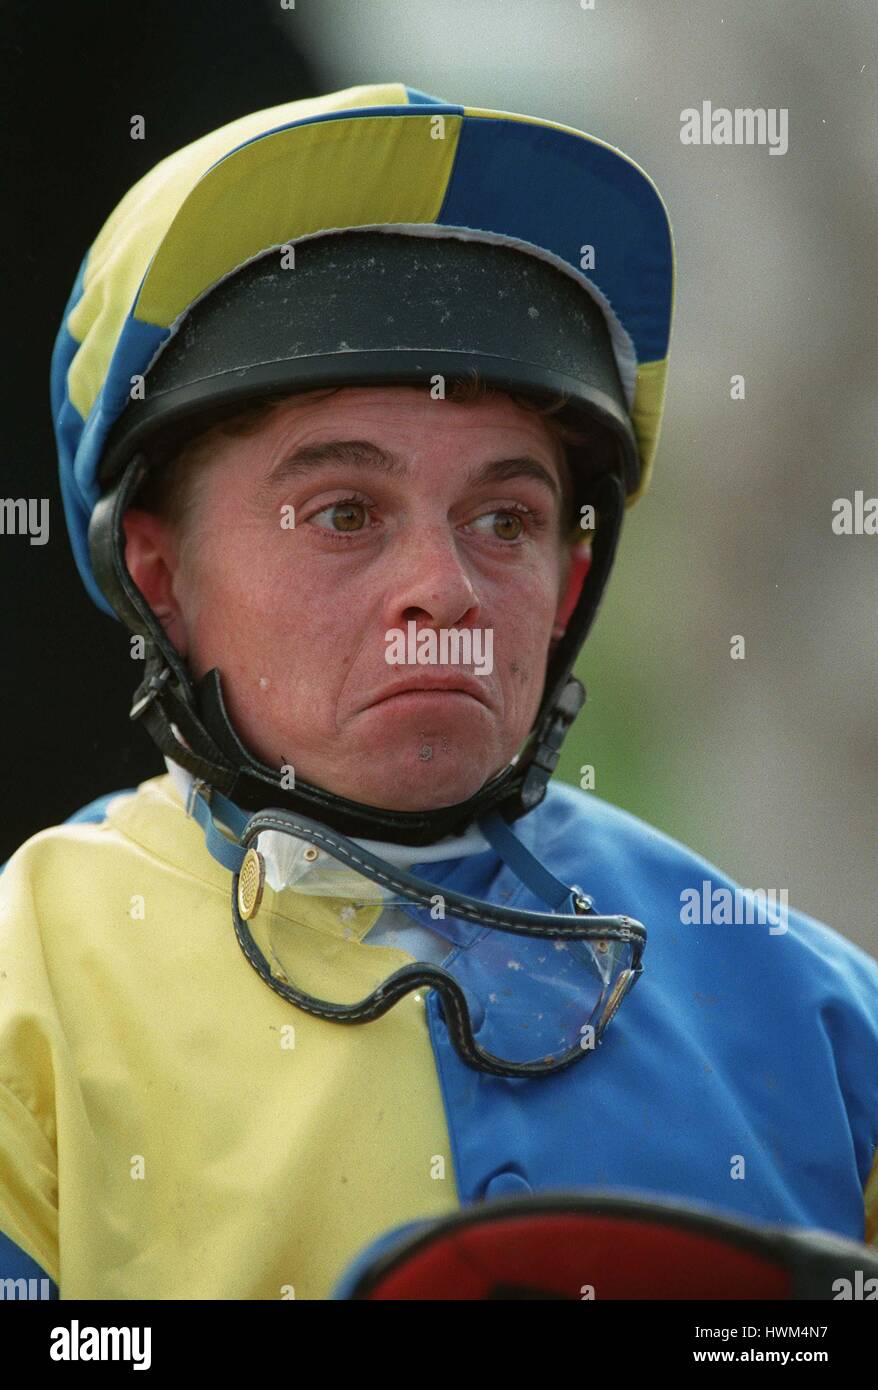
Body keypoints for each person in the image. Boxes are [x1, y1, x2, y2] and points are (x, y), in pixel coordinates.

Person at [1, 82, 876, 1302]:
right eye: (343, 512)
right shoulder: (22, 991)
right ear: (161, 573)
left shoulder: (828, 1020)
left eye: (504, 518)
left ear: (569, 583)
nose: (444, 589)